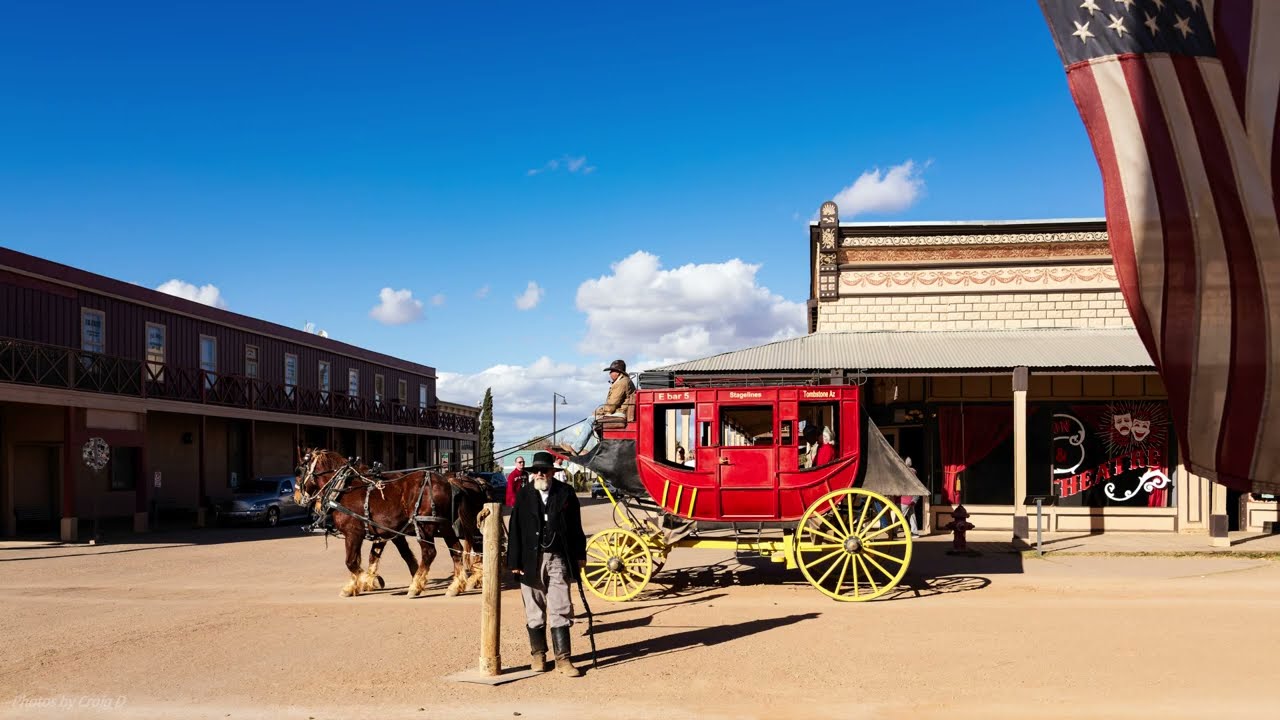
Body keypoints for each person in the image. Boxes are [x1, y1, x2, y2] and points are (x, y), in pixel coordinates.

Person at [506, 451, 588, 677]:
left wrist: (579, 554)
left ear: (552, 472)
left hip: (557, 558)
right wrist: (514, 561)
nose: (540, 474)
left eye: (544, 470)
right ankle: (538, 655)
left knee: (561, 606)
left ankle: (563, 659)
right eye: (536, 471)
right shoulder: (524, 495)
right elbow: (515, 528)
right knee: (534, 608)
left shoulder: (566, 493)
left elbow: (576, 526)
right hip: (530, 560)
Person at [899, 456, 921, 538]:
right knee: (911, 515)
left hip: (905, 498)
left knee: (899, 516)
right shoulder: (913, 473)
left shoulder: (904, 472)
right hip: (912, 497)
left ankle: (893, 532)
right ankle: (914, 532)